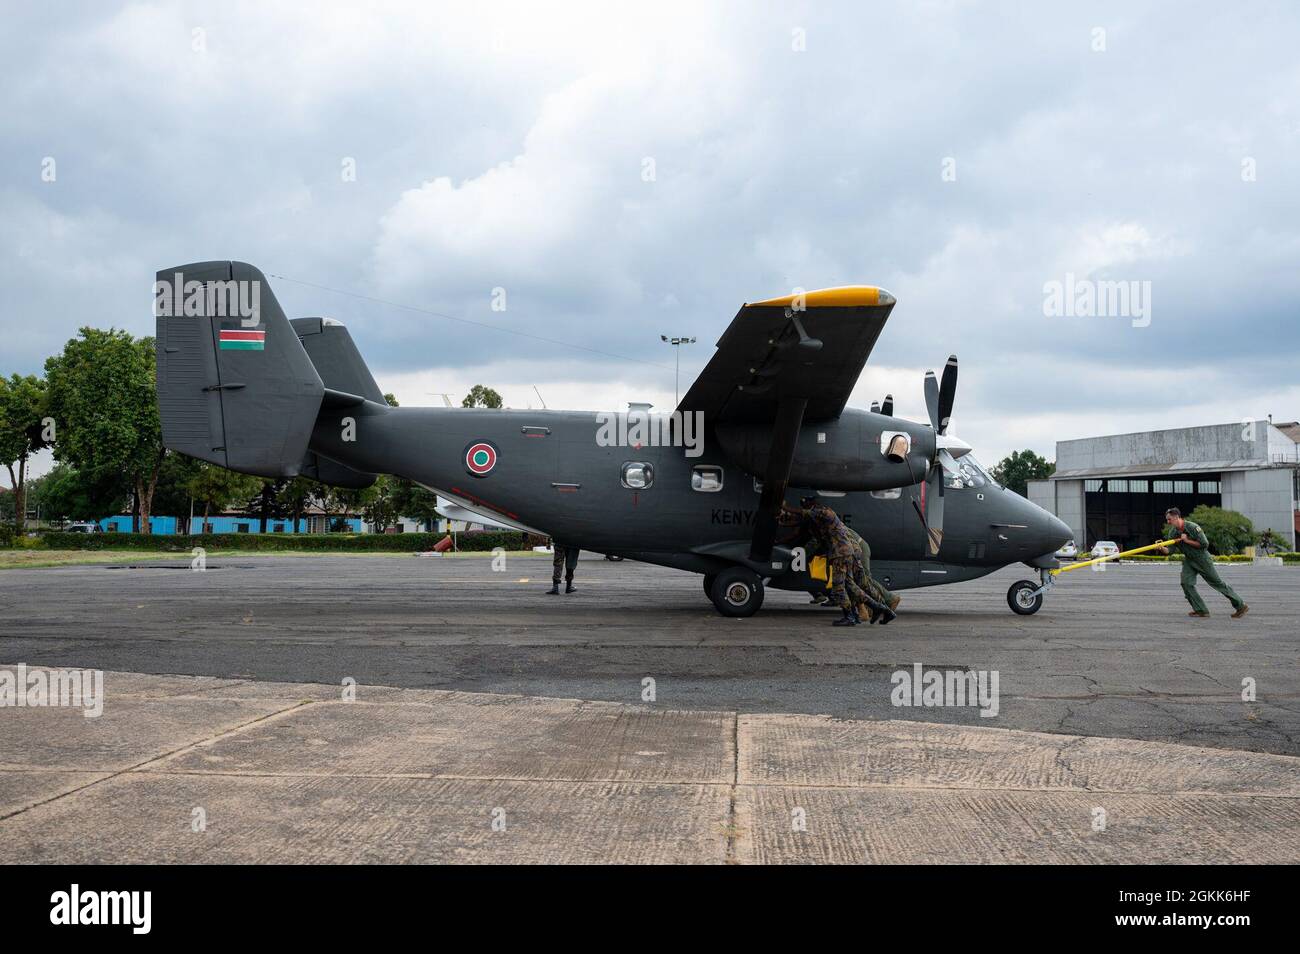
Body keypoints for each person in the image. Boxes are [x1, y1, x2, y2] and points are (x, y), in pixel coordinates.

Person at [785, 496, 877, 626]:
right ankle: (866, 611)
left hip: (844, 554)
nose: (803, 507)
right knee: (851, 586)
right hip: (844, 554)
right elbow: (800, 523)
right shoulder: (819, 518)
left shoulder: (823, 513)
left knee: (843, 587)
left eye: (805, 504)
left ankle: (857, 614)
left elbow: (805, 518)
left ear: (812, 504)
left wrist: (785, 507)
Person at [1158, 508, 1248, 619]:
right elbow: (1170, 551)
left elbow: (1204, 544)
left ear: (1177, 517)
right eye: (1167, 520)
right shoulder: (1173, 532)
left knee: (1217, 583)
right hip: (1189, 560)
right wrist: (1162, 549)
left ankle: (1240, 605)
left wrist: (1187, 541)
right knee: (1186, 583)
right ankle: (1201, 610)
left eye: (1169, 519)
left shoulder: (1192, 527)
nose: (1168, 522)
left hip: (1202, 559)